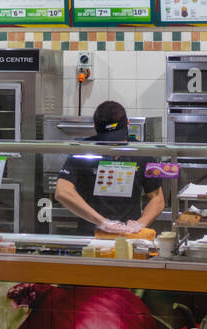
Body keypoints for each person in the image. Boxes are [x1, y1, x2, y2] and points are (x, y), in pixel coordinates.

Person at [53, 100, 164, 235]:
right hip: (91, 236)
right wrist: (103, 223)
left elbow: (157, 198)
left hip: (129, 236)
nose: (114, 145)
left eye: (118, 139)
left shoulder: (141, 153)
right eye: (107, 139)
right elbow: (62, 192)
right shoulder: (84, 151)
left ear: (128, 124)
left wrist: (140, 224)